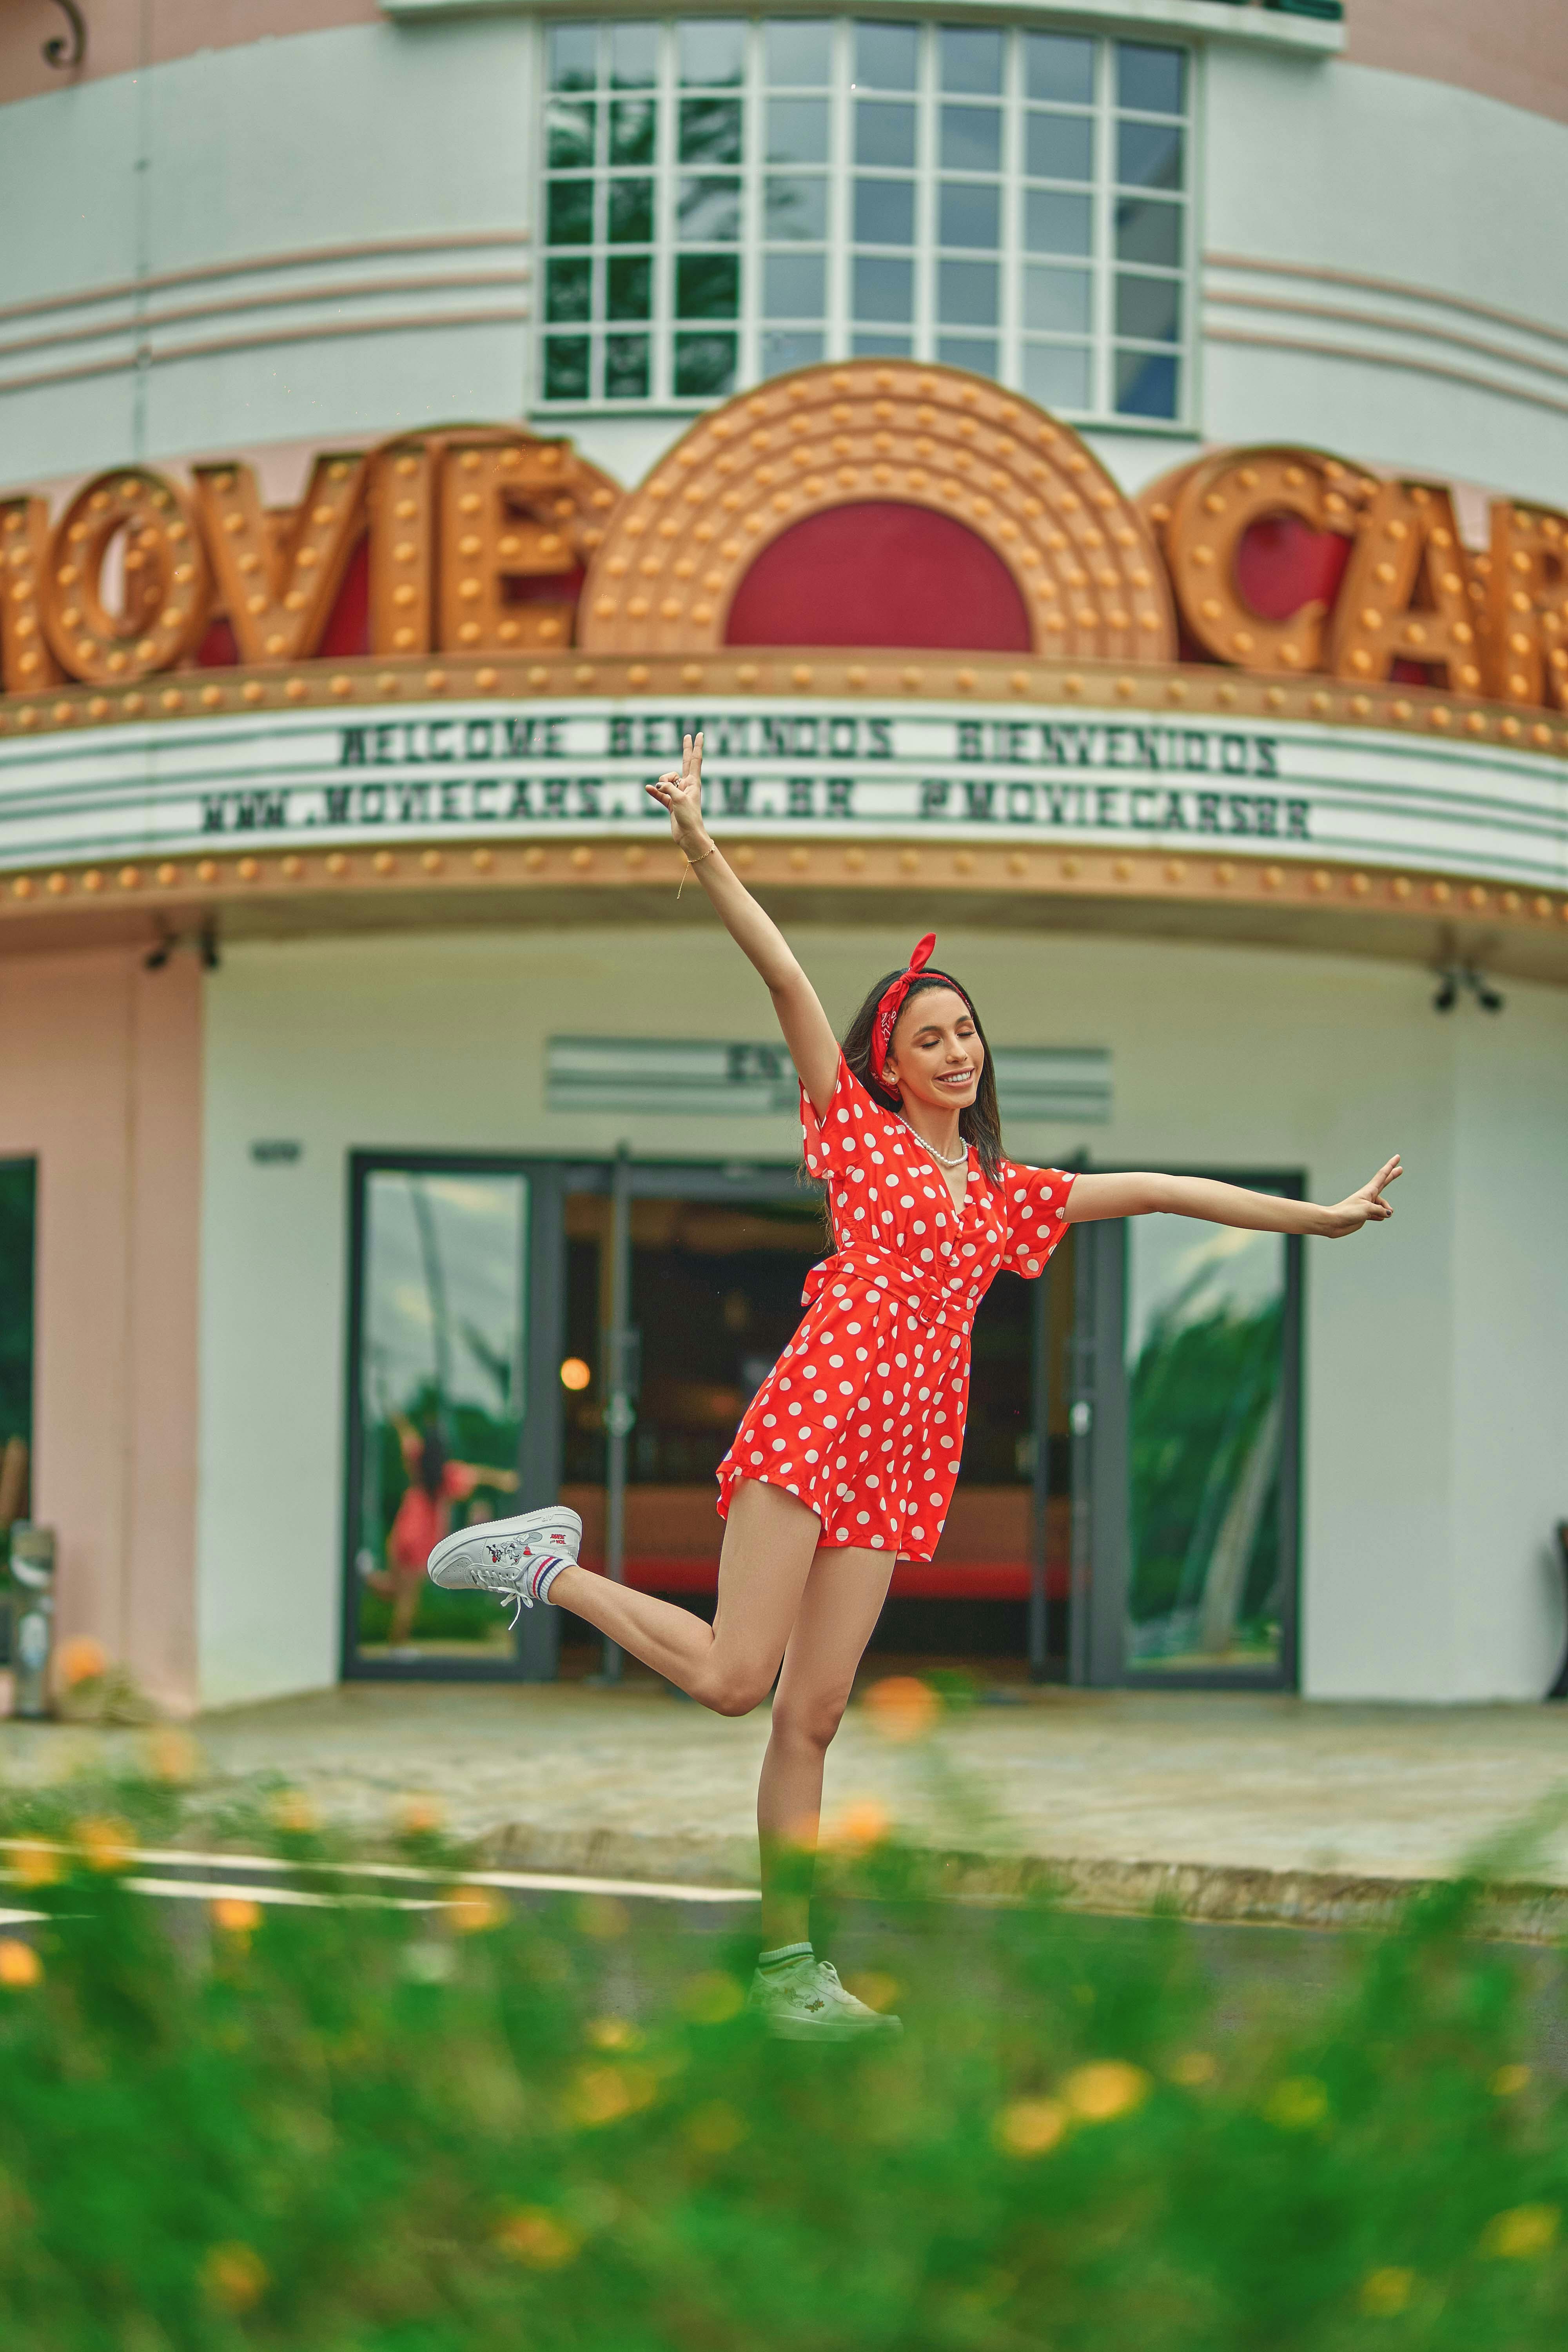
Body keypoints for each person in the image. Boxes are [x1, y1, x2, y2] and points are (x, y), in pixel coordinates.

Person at [429, 735, 1401, 2040]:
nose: (958, 1052)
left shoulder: (1011, 1197)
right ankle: (552, 1565)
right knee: (734, 1679)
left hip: (907, 1455)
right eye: (932, 1037)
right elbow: (781, 972)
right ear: (891, 1064)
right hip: (822, 1411)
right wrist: (702, 846)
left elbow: (1169, 1186)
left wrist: (1321, 1221)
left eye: (969, 1035)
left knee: (813, 1715)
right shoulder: (854, 1133)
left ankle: (791, 1978)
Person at [364, 1414, 518, 1654]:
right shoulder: (446, 1475)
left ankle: (366, 1575)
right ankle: (398, 1647)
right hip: (421, 1536)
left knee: (395, 1589)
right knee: (408, 1597)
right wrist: (503, 1479)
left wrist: (399, 1420)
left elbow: (408, 1436)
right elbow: (476, 1474)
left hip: (405, 1528)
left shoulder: (417, 1462)